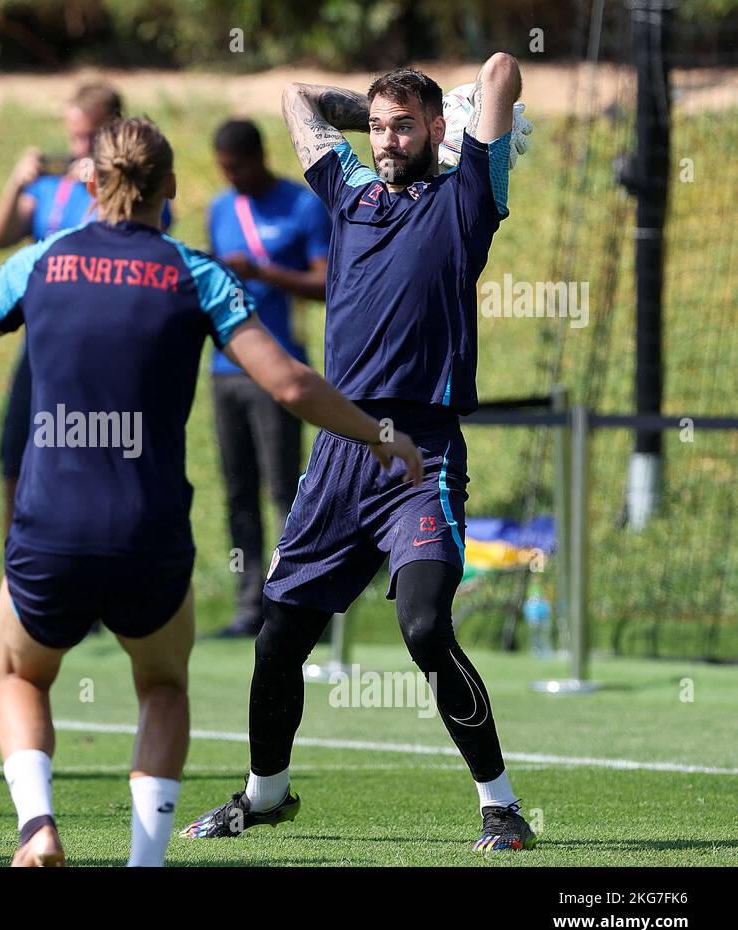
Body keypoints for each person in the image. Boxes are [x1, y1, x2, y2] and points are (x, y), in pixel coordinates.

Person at [0, 117, 423, 866]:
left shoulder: (40, 264)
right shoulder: (196, 274)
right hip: (146, 529)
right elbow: (289, 383)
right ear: (175, 188)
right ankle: (145, 859)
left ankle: (39, 829)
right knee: (161, 686)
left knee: (23, 674)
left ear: (89, 185)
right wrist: (382, 435)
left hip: (49, 524)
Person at [180, 57, 540, 852]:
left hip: (420, 453)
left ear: (439, 131)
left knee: (422, 628)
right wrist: (376, 104)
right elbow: (295, 97)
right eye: (377, 126)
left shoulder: (466, 197)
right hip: (343, 449)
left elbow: (503, 70)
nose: (385, 139)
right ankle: (264, 796)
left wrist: (466, 113)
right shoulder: (349, 192)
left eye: (403, 126)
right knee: (279, 633)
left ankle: (502, 807)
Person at [0, 82, 168, 652]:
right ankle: (22, 595)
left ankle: (107, 599)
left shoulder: (134, 185)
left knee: (106, 466)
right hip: (43, 355)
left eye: (87, 135)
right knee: (15, 464)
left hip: (109, 358)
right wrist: (18, 178)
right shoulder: (51, 190)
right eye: (72, 134)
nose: (75, 144)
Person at [207, 118, 331, 637]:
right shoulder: (220, 208)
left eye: (237, 166)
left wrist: (264, 273)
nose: (231, 176)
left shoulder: (302, 205)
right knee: (238, 491)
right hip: (224, 368)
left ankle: (299, 603)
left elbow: (326, 283)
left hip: (281, 367)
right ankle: (248, 605)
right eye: (224, 169)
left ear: (259, 157)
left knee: (285, 487)